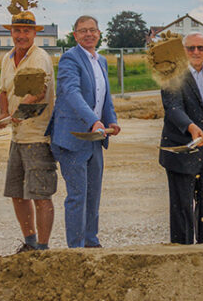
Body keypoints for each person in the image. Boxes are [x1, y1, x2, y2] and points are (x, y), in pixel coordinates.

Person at [48, 15, 120, 248]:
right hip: (73, 138)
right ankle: (76, 249)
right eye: (83, 31)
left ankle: (91, 242)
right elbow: (71, 93)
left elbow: (104, 97)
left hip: (95, 138)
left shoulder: (101, 61)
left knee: (93, 195)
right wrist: (93, 120)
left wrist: (111, 120)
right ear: (75, 35)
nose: (89, 34)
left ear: (99, 33)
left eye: (93, 30)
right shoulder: (70, 59)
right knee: (78, 196)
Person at [0, 12, 58, 252]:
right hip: (18, 137)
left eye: (26, 31)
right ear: (11, 32)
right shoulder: (8, 58)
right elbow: (2, 91)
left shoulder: (40, 58)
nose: (21, 35)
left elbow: (39, 92)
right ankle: (29, 242)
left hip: (38, 137)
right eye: (17, 30)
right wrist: (3, 113)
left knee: (40, 195)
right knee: (17, 193)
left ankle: (42, 246)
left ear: (34, 33)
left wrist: (19, 110)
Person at [159, 32, 203, 244]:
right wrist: (191, 128)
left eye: (200, 48)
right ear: (183, 51)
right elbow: (173, 108)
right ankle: (183, 254)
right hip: (181, 151)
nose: (196, 52)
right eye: (191, 48)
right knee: (182, 210)